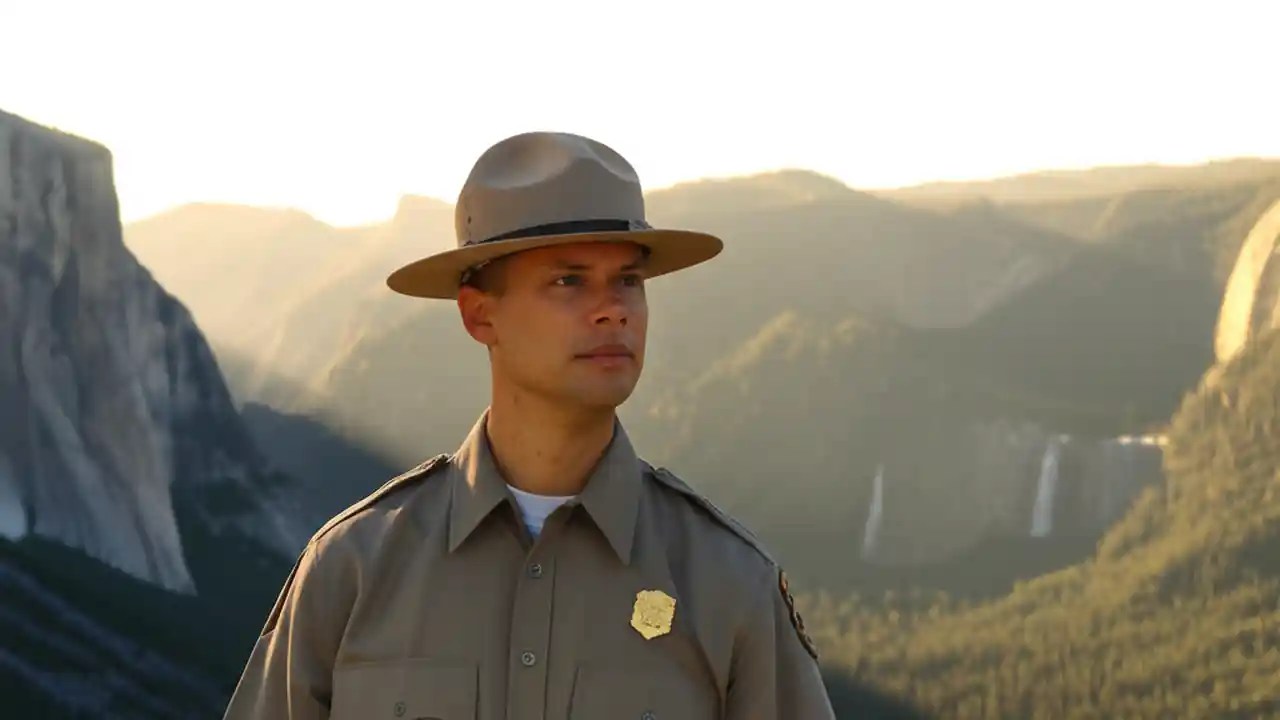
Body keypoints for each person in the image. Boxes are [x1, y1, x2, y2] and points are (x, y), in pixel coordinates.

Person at [223, 131, 837, 719]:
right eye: (569, 281)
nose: (612, 311)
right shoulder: (351, 571)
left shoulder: (727, 584)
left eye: (629, 281)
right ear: (479, 316)